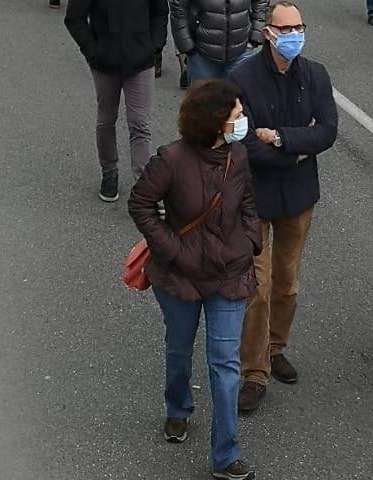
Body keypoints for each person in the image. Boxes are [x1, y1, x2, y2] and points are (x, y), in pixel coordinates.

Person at [127, 79, 260, 480]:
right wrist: (173, 249)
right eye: (236, 116)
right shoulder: (170, 159)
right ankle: (178, 409)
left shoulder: (239, 156)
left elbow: (249, 203)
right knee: (179, 350)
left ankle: (226, 455)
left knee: (225, 364)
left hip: (229, 276)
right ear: (215, 122)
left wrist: (251, 239)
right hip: (181, 278)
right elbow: (141, 203)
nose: (243, 122)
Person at [231, 0, 338, 414]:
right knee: (257, 288)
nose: (294, 35)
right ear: (268, 34)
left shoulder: (314, 76)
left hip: (297, 198)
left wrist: (280, 139)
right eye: (285, 28)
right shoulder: (242, 78)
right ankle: (254, 372)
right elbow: (244, 143)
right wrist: (294, 148)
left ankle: (276, 348)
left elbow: (327, 131)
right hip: (254, 199)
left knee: (287, 281)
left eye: (299, 27)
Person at [67, 0, 168, 203]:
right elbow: (74, 18)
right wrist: (93, 52)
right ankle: (109, 172)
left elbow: (160, 13)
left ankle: (144, 186)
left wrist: (155, 46)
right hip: (106, 63)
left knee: (140, 125)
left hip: (141, 62)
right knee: (106, 120)